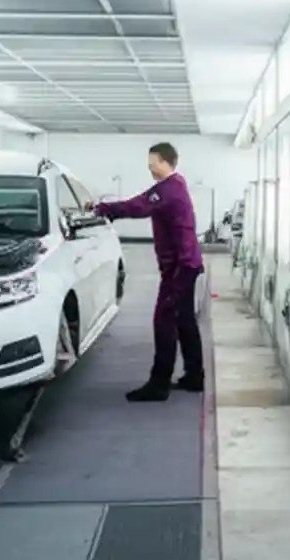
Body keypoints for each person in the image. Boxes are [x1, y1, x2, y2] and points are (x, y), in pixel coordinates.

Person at [88, 142, 205, 402]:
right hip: (187, 263)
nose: (149, 167)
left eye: (153, 162)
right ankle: (194, 376)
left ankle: (159, 384)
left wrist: (103, 209)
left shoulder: (168, 189)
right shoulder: (176, 185)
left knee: (164, 320)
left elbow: (138, 206)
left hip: (180, 267)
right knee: (184, 320)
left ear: (166, 162)